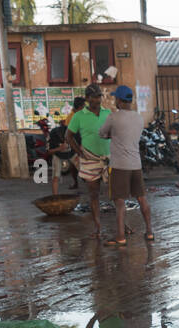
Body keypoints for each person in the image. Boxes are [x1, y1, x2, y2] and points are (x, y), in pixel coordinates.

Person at [97, 84, 151, 246]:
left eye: (115, 98)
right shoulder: (139, 118)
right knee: (142, 199)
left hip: (119, 166)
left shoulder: (114, 117)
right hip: (136, 165)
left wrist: (111, 135)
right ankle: (149, 232)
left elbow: (102, 133)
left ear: (119, 100)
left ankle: (120, 236)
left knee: (119, 203)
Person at [67, 84, 112, 235]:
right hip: (89, 159)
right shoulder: (79, 116)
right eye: (94, 97)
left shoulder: (108, 113)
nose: (97, 99)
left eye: (99, 96)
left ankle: (121, 224)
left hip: (108, 159)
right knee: (94, 194)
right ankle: (98, 226)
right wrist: (79, 152)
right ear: (87, 99)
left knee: (116, 193)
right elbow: (68, 136)